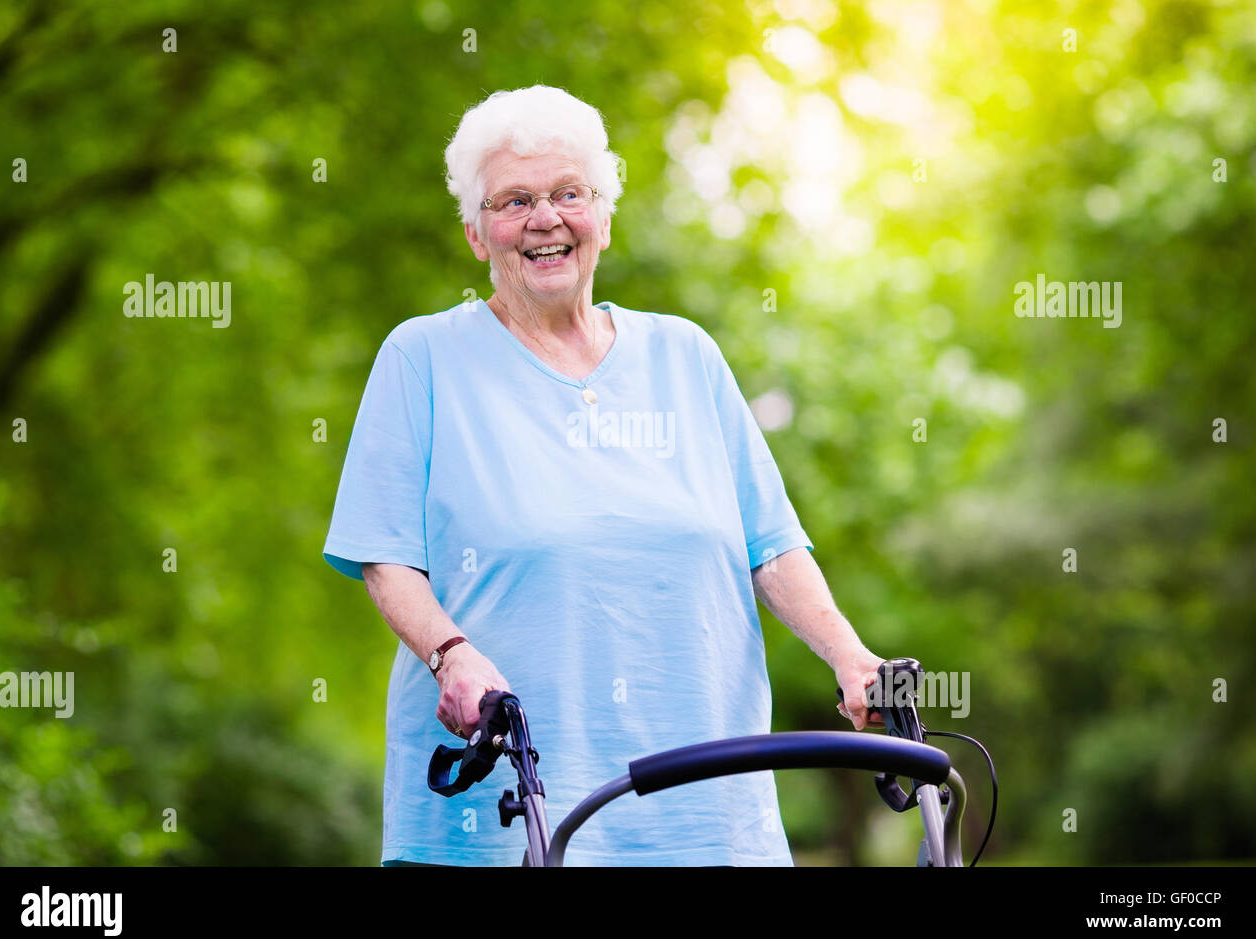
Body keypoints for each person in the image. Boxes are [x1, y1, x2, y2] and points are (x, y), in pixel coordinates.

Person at [322, 84, 885, 866]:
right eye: (514, 201)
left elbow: (773, 547)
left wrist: (851, 657)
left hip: (707, 820)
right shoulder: (423, 360)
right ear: (477, 235)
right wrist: (450, 654)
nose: (545, 219)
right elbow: (386, 557)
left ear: (605, 217)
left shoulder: (686, 356)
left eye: (569, 193)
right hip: (504, 810)